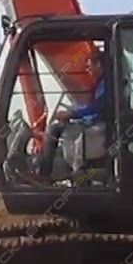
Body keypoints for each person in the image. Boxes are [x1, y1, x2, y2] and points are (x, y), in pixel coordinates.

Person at [38, 47, 111, 176]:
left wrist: (72, 114)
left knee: (54, 129)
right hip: (94, 121)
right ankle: (46, 171)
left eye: (89, 66)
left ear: (98, 64)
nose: (87, 70)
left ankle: (46, 174)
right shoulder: (102, 83)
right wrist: (73, 112)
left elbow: (96, 106)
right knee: (57, 128)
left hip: (99, 124)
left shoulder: (107, 83)